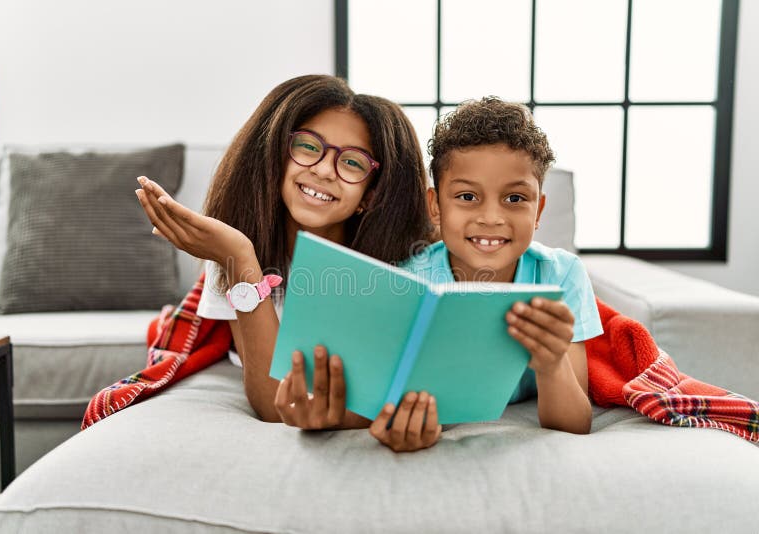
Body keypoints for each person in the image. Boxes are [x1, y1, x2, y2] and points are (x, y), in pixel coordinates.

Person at [135, 74, 441, 452]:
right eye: (309, 147)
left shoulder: (399, 271)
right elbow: (271, 403)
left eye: (352, 162)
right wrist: (239, 259)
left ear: (369, 196)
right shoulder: (234, 244)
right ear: (276, 157)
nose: (325, 170)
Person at [399, 96, 603, 436]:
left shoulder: (560, 274)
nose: (491, 218)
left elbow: (574, 423)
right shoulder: (410, 281)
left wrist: (551, 365)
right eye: (467, 197)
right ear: (435, 207)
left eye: (515, 199)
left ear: (537, 212)